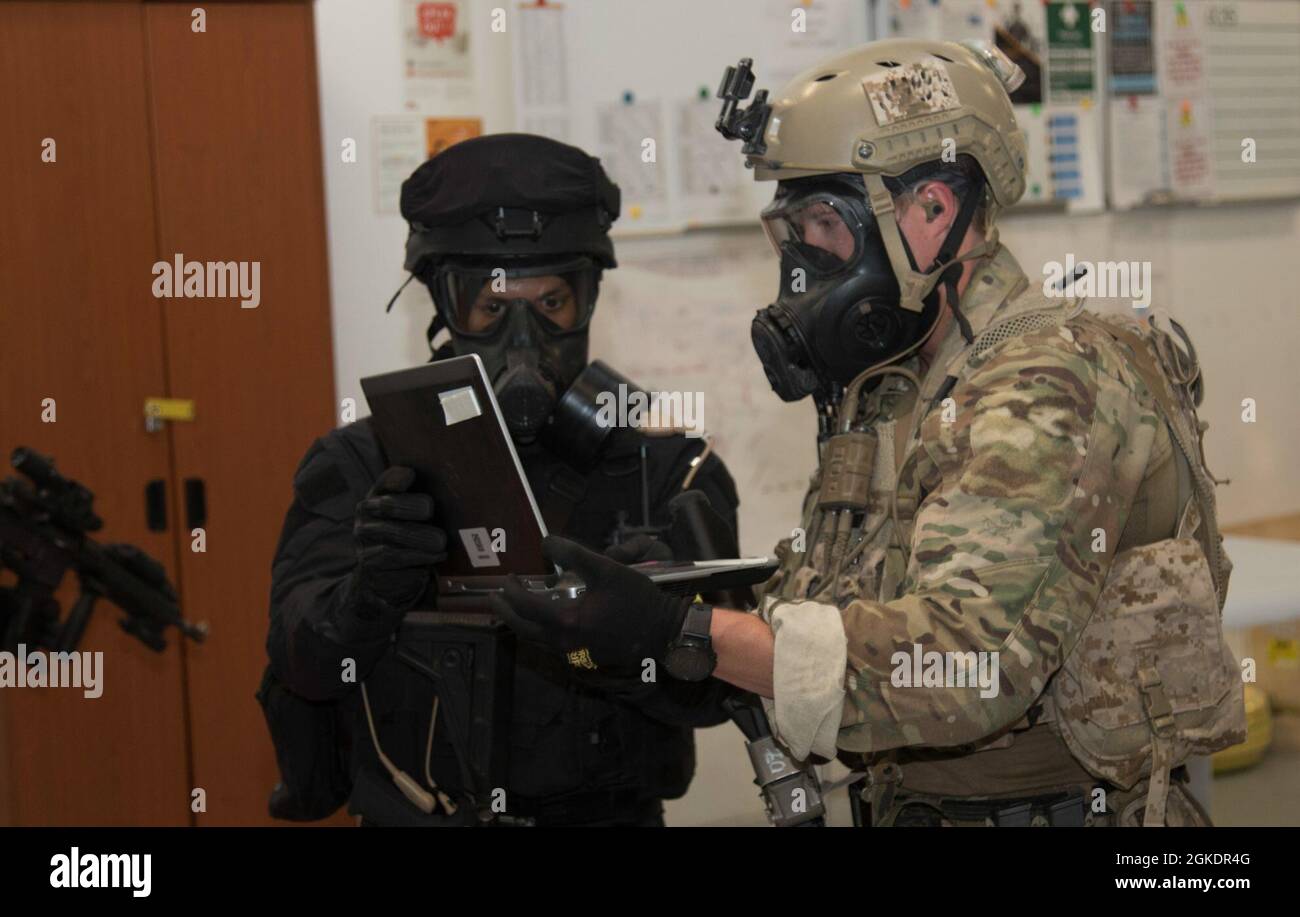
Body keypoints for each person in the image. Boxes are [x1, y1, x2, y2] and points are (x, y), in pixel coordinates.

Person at [491, 40, 1246, 827]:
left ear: (931, 210)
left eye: (825, 224)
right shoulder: (897, 382)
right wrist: (690, 603)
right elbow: (844, 607)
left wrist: (693, 633)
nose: (801, 267)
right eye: (792, 232)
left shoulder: (1045, 378)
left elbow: (962, 666)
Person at [263, 133, 740, 826]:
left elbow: (724, 695)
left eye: (551, 304)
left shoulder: (666, 470)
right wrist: (369, 593)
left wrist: (649, 632)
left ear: (590, 299)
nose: (524, 340)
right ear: (443, 309)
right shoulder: (361, 469)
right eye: (489, 306)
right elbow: (301, 666)